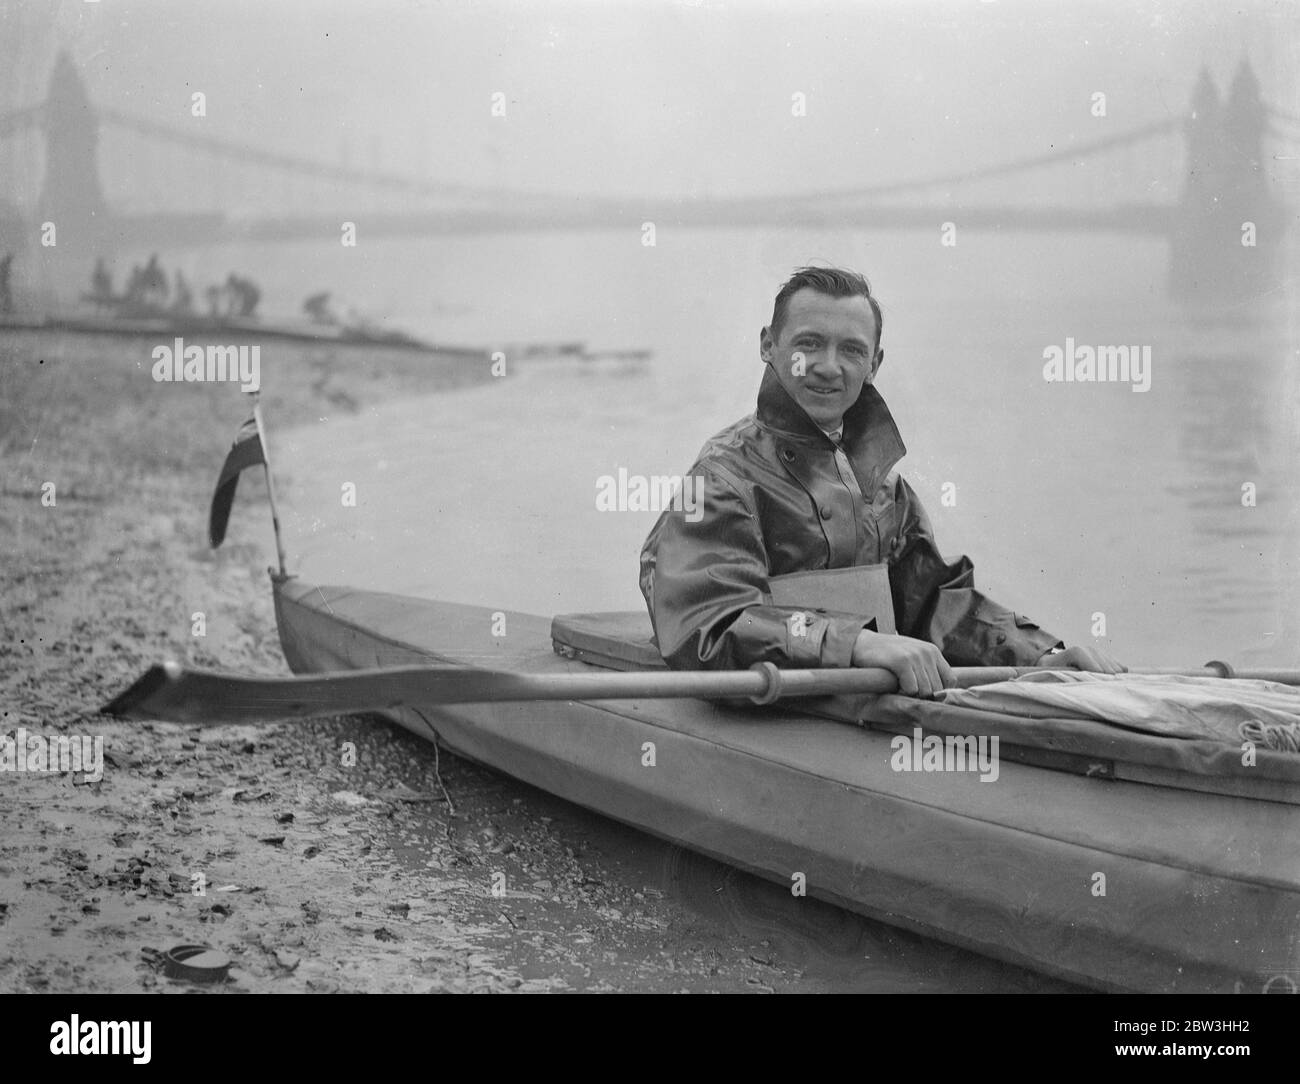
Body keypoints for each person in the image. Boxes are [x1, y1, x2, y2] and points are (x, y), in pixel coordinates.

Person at [639, 266, 1123, 697]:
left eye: (851, 350)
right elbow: (711, 623)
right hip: (777, 715)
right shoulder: (722, 479)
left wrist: (1039, 655)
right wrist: (859, 644)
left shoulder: (883, 486)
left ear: (875, 364)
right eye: (809, 344)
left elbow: (934, 601)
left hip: (855, 707)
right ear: (768, 345)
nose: (829, 367)